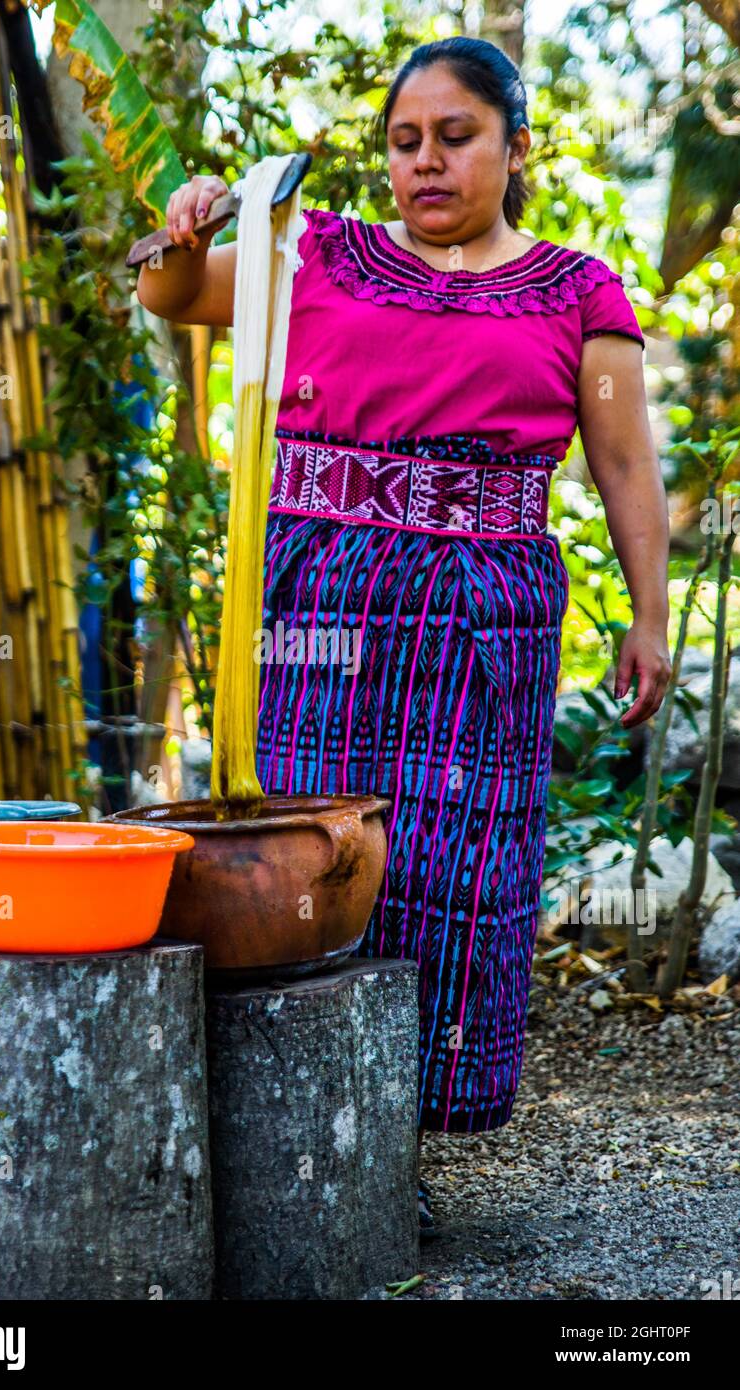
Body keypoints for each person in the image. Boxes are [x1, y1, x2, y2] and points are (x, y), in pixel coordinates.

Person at [137, 36, 671, 1239]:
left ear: (514, 146)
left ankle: (389, 1148)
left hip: (481, 620)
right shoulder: (311, 247)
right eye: (402, 141)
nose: (423, 162)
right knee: (301, 858)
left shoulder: (575, 290)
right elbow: (176, 299)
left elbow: (623, 459)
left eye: (454, 136)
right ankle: (283, 1133)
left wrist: (646, 613)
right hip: (319, 608)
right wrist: (180, 238)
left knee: (444, 873)